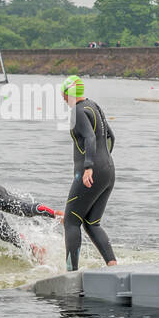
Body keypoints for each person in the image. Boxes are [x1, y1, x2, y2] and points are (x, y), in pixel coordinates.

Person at [61, 75, 117, 270]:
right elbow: (111, 136)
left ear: (67, 93)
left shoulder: (77, 112)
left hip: (92, 172)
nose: (61, 97)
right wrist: (103, 163)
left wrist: (89, 168)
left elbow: (90, 138)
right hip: (109, 170)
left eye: (62, 93)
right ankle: (113, 265)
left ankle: (70, 272)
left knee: (71, 221)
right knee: (92, 223)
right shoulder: (94, 106)